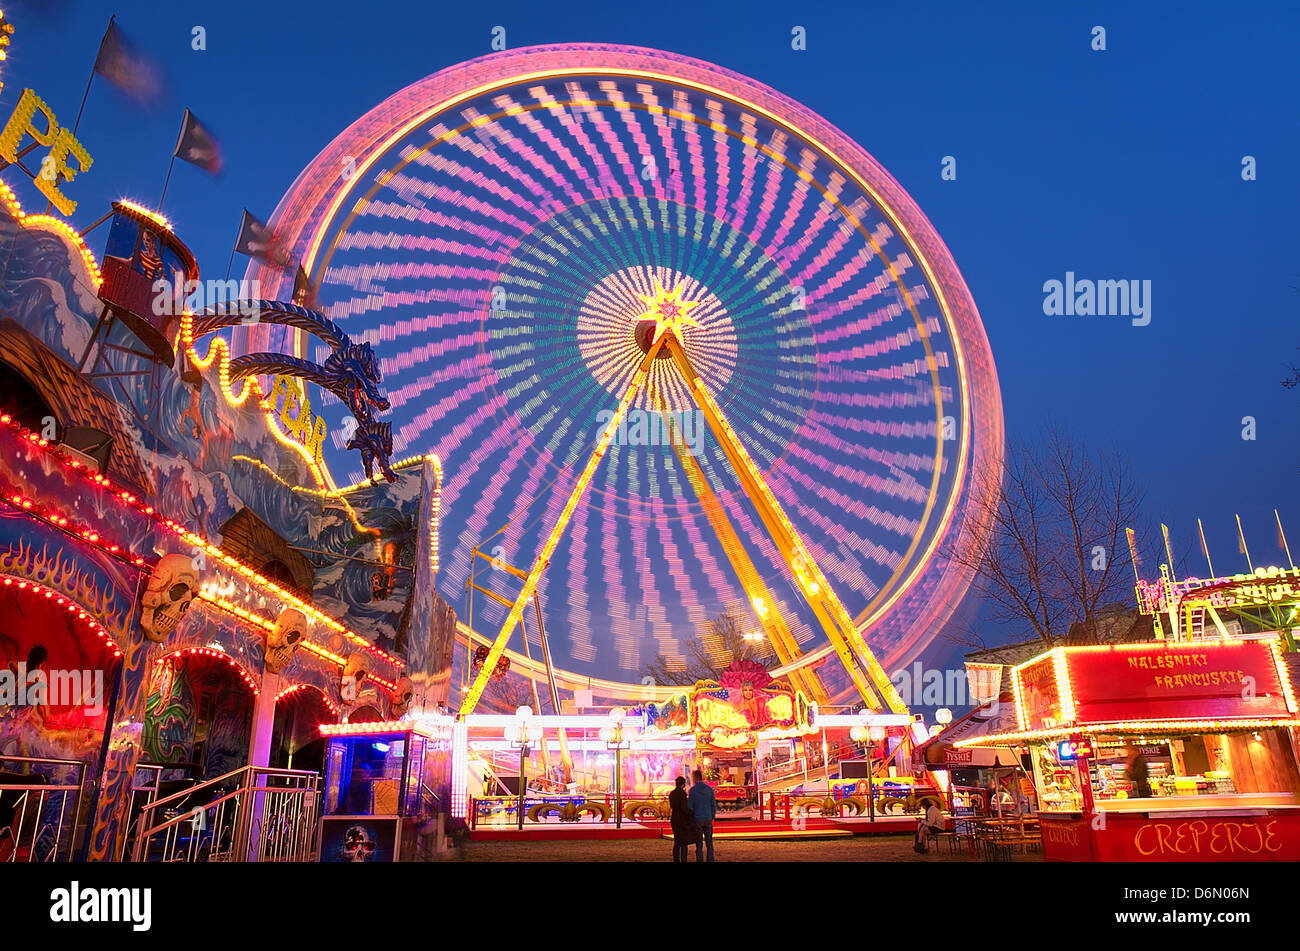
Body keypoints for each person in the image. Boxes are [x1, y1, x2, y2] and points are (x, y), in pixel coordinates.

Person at [687, 769, 717, 862]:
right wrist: (712, 816)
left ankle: (699, 859)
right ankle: (710, 859)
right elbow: (713, 804)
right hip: (708, 817)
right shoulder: (709, 789)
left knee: (699, 842)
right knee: (709, 842)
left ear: (695, 778)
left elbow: (689, 805)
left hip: (697, 818)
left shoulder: (693, 790)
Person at [668, 776, 693, 862]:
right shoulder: (682, 794)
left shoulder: (672, 794)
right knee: (683, 842)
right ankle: (683, 859)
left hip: (674, 818)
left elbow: (672, 806)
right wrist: (691, 813)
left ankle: (676, 859)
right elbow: (684, 808)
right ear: (683, 784)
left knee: (676, 841)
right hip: (682, 819)